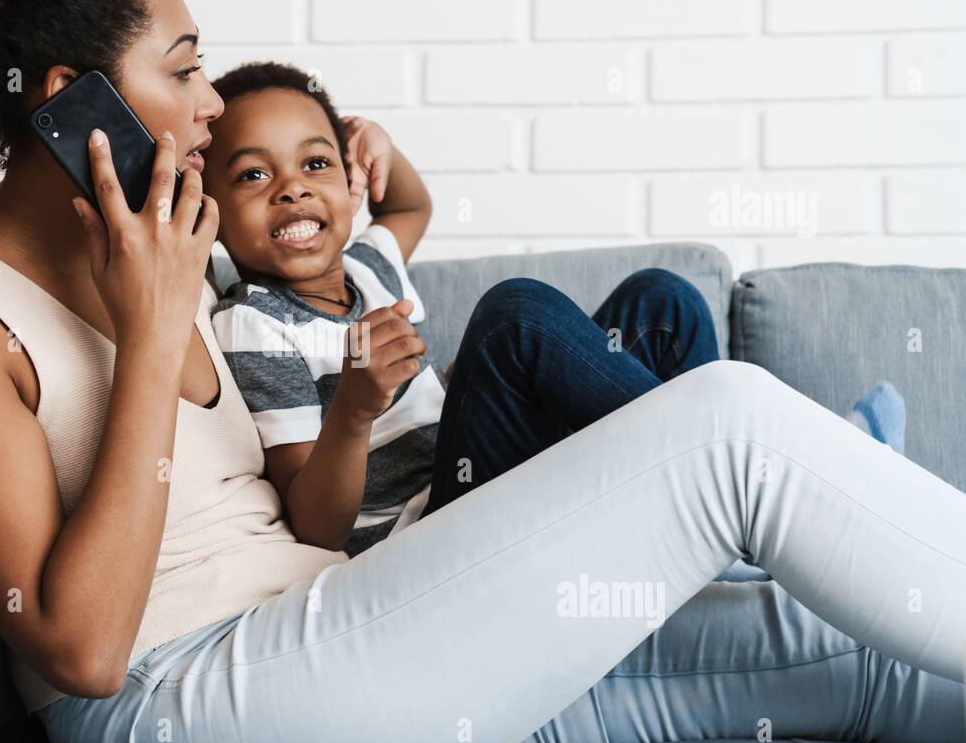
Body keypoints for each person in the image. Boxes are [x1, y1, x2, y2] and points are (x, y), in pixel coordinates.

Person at [0, 0, 965, 743]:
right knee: (725, 426)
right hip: (177, 685)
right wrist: (147, 339)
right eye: (184, 68)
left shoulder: (180, 247)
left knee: (801, 644)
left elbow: (327, 240)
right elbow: (81, 652)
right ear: (70, 102)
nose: (206, 105)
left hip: (339, 618)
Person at [205, 61, 906, 560]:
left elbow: (410, 203)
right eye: (253, 174)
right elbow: (317, 528)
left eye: (316, 163)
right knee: (515, 318)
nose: (292, 190)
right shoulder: (255, 323)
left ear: (352, 185)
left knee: (663, 301)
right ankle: (783, 477)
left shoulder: (369, 265)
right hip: (430, 535)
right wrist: (355, 408)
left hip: (496, 475)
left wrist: (372, 135)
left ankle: (729, 511)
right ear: (213, 212)